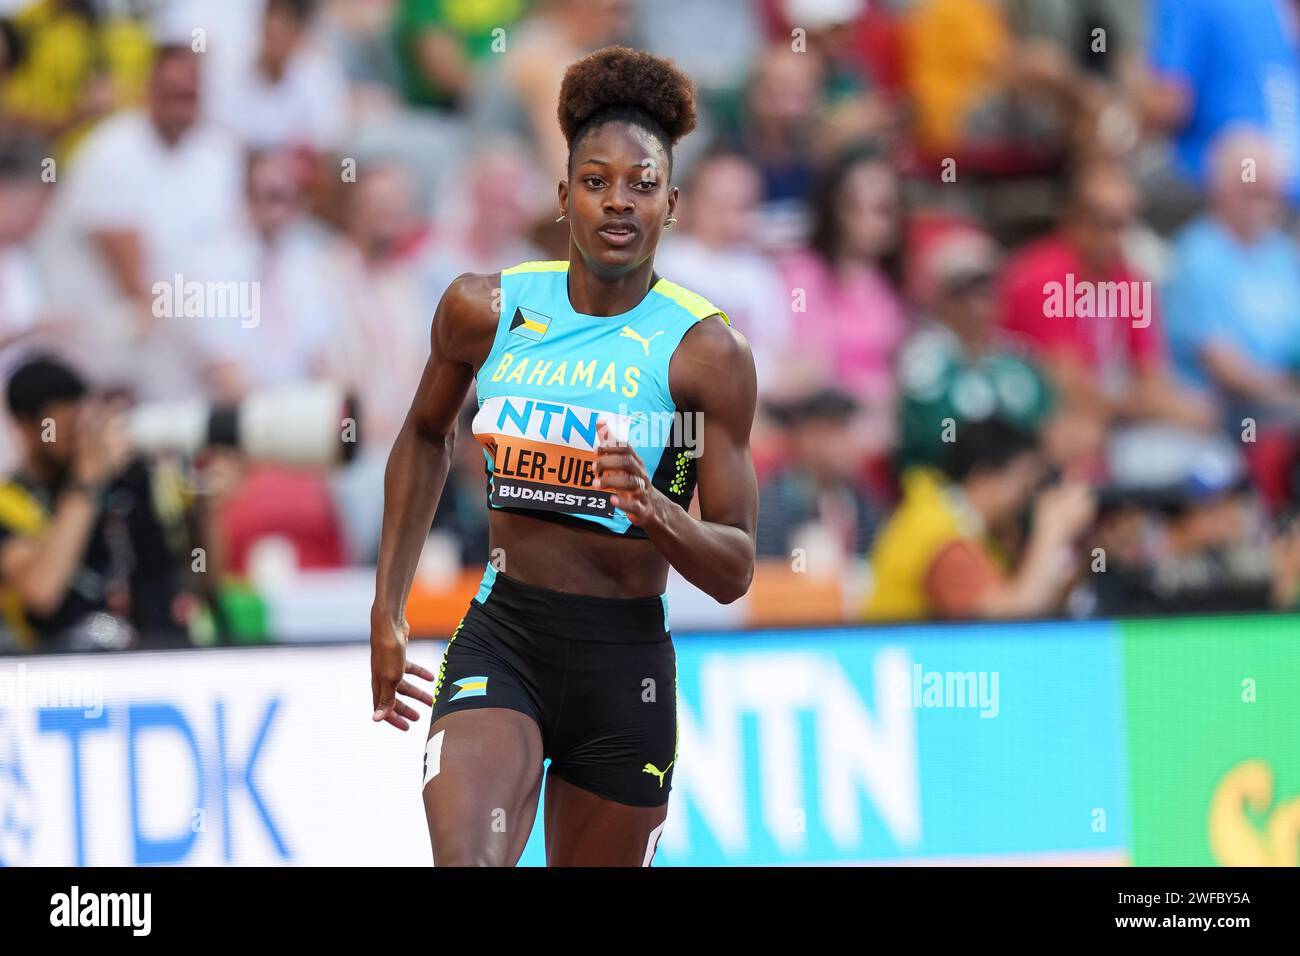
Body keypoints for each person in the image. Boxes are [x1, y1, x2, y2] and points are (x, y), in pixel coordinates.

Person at [369, 46, 758, 867]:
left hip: (626, 670)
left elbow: (736, 567)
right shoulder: (486, 308)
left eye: (642, 184)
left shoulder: (704, 354)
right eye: (596, 180)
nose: (618, 202)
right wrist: (389, 607)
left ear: (672, 203)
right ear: (564, 194)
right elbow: (423, 435)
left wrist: (653, 509)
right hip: (504, 638)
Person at [0, 356, 201, 651]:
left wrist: (207, 505)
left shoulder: (133, 484)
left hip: (161, 655)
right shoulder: (11, 500)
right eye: (64, 429)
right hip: (58, 671)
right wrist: (86, 483)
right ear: (25, 424)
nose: (79, 438)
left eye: (83, 423)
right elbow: (41, 592)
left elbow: (198, 577)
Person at [864, 418, 1095, 621]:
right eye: (1024, 482)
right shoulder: (940, 537)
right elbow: (1016, 618)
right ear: (983, 478)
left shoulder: (961, 525)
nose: (1029, 497)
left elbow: (1037, 597)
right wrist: (1052, 530)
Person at [1163, 130, 1300, 428]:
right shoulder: (1197, 258)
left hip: (1282, 399)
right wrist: (1291, 394)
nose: (1261, 206)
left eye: (1269, 195)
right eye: (1251, 193)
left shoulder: (1280, 253)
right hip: (1231, 414)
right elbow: (1229, 373)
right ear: (1219, 190)